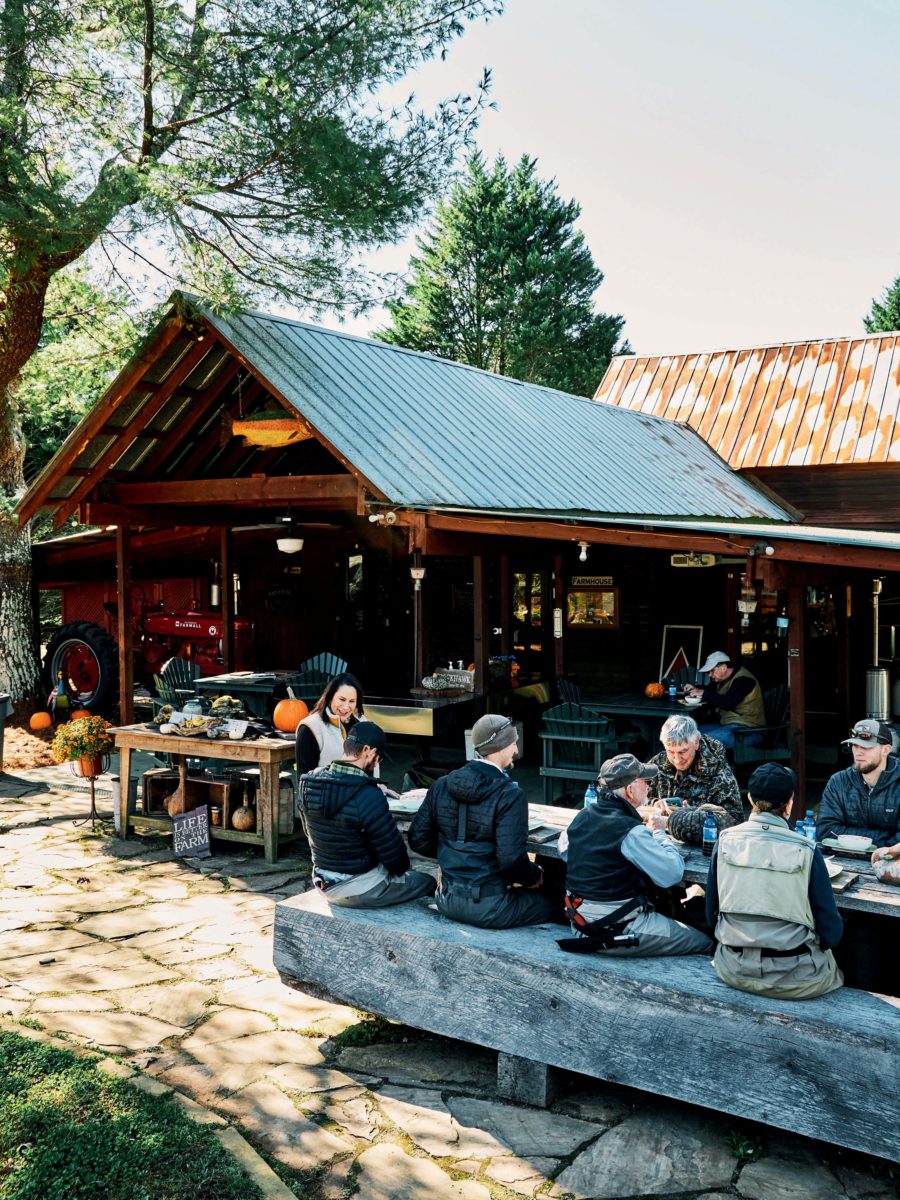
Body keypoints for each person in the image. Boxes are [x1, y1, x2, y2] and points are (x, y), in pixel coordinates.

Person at [407, 714, 563, 929]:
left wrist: (455, 856)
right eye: (513, 743)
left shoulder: (441, 785)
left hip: (446, 899)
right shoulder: (510, 795)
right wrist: (536, 877)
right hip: (492, 907)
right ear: (501, 746)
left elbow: (417, 839)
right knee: (558, 901)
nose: (516, 750)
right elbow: (511, 860)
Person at [706, 763, 843, 1000]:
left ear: (750, 799)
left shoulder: (724, 840)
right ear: (789, 804)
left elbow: (711, 915)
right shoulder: (807, 849)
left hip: (733, 968)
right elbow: (831, 932)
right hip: (796, 977)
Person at [560, 753, 713, 956]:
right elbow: (672, 874)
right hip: (615, 931)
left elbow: (565, 851)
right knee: (705, 941)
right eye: (645, 781)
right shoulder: (630, 831)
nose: (649, 786)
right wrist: (659, 833)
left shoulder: (582, 816)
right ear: (630, 790)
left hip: (579, 925)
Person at [297, 720, 436, 908]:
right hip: (358, 889)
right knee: (427, 882)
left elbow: (310, 832)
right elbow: (397, 861)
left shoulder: (309, 782)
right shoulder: (368, 795)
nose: (377, 763)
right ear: (368, 751)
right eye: (379, 758)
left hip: (323, 881)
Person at [817, 718, 900, 848]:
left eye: (867, 747)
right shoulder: (838, 782)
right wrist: (886, 837)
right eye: (855, 745)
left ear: (886, 750)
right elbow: (826, 831)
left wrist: (850, 837)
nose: (858, 752)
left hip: (889, 859)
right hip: (844, 858)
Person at [646, 714, 743, 823]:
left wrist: (692, 817)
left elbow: (734, 820)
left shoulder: (717, 771)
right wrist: (655, 804)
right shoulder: (658, 763)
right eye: (671, 752)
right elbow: (637, 800)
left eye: (683, 751)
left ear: (696, 742)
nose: (677, 760)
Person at [684, 651, 764, 750]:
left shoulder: (744, 680)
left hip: (748, 731)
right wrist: (696, 689)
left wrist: (703, 693)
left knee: (699, 742)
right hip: (729, 725)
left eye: (712, 670)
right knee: (687, 735)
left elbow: (728, 703)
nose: (709, 675)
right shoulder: (722, 679)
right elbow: (709, 691)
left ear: (723, 668)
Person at [296, 672, 365, 775]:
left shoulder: (363, 724)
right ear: (330, 697)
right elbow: (304, 779)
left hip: (362, 785)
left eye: (352, 701)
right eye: (342, 699)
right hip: (324, 785)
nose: (346, 706)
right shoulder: (310, 727)